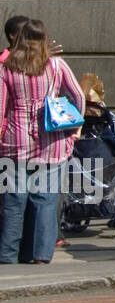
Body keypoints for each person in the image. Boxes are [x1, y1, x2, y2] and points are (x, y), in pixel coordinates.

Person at [0, 20, 84, 264]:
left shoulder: (6, 67)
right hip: (52, 143)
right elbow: (78, 95)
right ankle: (40, 255)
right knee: (45, 200)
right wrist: (73, 128)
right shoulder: (56, 65)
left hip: (14, 144)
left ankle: (7, 255)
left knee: (13, 201)